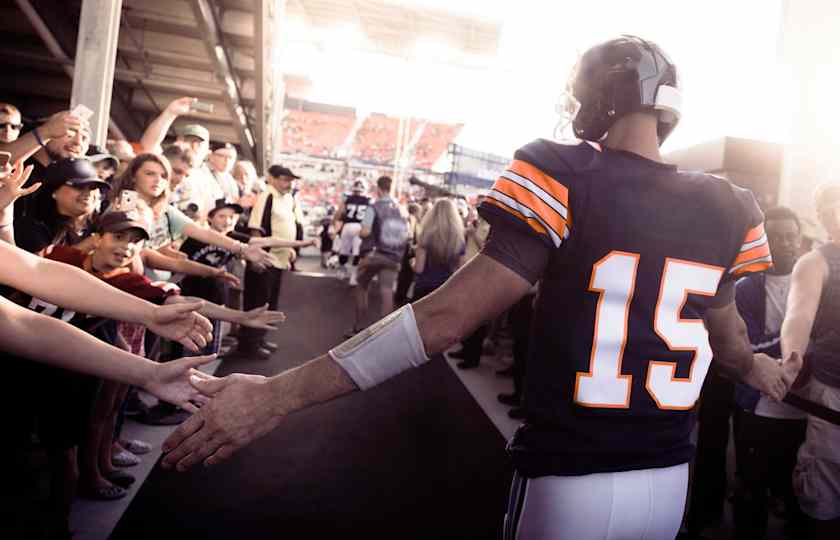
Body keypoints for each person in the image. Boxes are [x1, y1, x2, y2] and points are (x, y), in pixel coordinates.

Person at [162, 36, 800, 540]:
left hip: (569, 478)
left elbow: (446, 320)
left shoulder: (568, 173)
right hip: (667, 481)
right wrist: (759, 369)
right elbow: (729, 337)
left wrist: (275, 396)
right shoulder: (730, 203)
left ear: (598, 96)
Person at [728, 206, 808, 540]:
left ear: (800, 239)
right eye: (775, 238)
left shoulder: (818, 284)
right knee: (752, 492)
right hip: (759, 407)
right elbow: (746, 347)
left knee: (799, 496)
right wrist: (800, 339)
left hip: (806, 407)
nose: (784, 244)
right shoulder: (745, 288)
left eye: (791, 237)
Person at [782, 184, 840, 538]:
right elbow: (799, 316)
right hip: (831, 398)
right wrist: (792, 356)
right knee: (823, 494)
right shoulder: (815, 262)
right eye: (831, 210)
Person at [229, 164, 304, 359]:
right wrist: (257, 256)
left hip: (279, 259)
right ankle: (248, 344)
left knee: (269, 302)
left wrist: (290, 250)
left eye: (290, 180)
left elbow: (288, 226)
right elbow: (256, 229)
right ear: (272, 178)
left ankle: (259, 338)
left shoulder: (288, 199)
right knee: (257, 301)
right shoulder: (266, 196)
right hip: (264, 258)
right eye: (284, 179)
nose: (288, 183)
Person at [347, 175, 409, 336]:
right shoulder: (401, 209)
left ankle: (358, 327)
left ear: (379, 189)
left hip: (375, 254)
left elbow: (365, 231)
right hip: (394, 256)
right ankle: (384, 334)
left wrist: (360, 232)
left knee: (361, 285)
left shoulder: (373, 207)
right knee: (387, 291)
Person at [334, 179, 371, 285]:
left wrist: (335, 224)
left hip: (347, 226)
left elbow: (340, 213)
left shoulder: (347, 198)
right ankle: (353, 276)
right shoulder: (368, 200)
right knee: (356, 253)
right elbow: (369, 216)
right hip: (359, 226)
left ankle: (341, 271)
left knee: (344, 250)